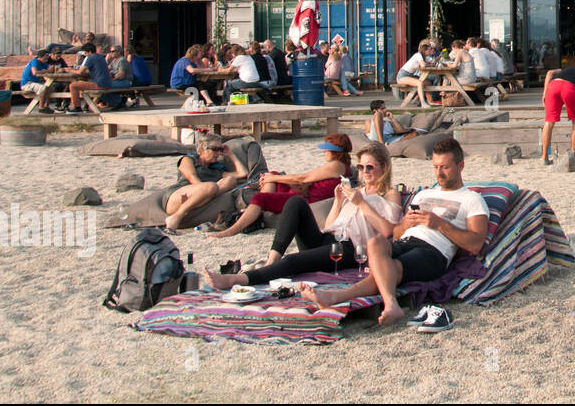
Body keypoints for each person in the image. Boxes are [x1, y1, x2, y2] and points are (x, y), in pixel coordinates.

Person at [299, 138, 490, 327]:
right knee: (375, 243)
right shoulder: (424, 195)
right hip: (406, 241)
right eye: (435, 167)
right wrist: (405, 223)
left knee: (390, 268)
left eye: (445, 167)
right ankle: (371, 301)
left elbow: (475, 244)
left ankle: (352, 299)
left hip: (433, 251)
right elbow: (396, 234)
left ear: (461, 166)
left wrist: (439, 224)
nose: (439, 173)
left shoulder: (472, 199)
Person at [208, 142, 403, 289]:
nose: (365, 172)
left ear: (383, 168)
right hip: (329, 239)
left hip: (352, 248)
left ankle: (237, 279)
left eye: (370, 167)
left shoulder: (388, 193)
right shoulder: (356, 190)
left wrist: (361, 203)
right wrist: (338, 201)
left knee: (293, 262)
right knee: (296, 202)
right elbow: (330, 224)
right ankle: (273, 258)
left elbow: (389, 230)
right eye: (361, 167)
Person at [209, 134, 354, 238]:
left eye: (327, 149)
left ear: (336, 151)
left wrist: (276, 177)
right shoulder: (339, 165)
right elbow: (307, 180)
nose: (324, 151)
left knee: (261, 197)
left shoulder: (337, 165)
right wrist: (274, 177)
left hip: (304, 200)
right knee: (271, 176)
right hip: (304, 192)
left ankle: (233, 229)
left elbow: (302, 178)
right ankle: (256, 214)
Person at [161, 134, 250, 229]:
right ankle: (177, 216)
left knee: (230, 180)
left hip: (201, 198)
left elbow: (243, 173)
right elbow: (192, 177)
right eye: (215, 149)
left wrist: (231, 155)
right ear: (202, 150)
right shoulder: (188, 160)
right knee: (211, 186)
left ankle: (200, 200)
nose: (218, 153)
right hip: (179, 194)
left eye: (220, 149)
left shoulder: (216, 170)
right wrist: (207, 191)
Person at [63, 42, 111, 113]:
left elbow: (80, 72)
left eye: (85, 53)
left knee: (73, 86)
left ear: (89, 52)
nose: (85, 55)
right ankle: (85, 106)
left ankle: (77, 107)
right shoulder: (101, 57)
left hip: (99, 84)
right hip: (107, 83)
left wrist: (69, 70)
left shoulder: (90, 58)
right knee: (81, 83)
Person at [396, 41, 435, 107]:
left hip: (411, 76)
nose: (431, 50)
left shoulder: (424, 57)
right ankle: (423, 103)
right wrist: (429, 64)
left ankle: (426, 100)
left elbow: (433, 61)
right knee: (419, 83)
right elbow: (423, 65)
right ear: (425, 50)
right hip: (403, 76)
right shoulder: (418, 55)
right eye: (430, 49)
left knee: (428, 83)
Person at [19, 48, 56, 113]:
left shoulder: (43, 63)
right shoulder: (35, 61)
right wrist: (47, 71)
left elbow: (50, 69)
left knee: (51, 88)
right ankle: (41, 107)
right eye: (45, 58)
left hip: (35, 82)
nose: (46, 60)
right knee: (43, 88)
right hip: (27, 84)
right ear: (40, 57)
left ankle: (46, 106)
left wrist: (52, 69)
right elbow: (35, 72)